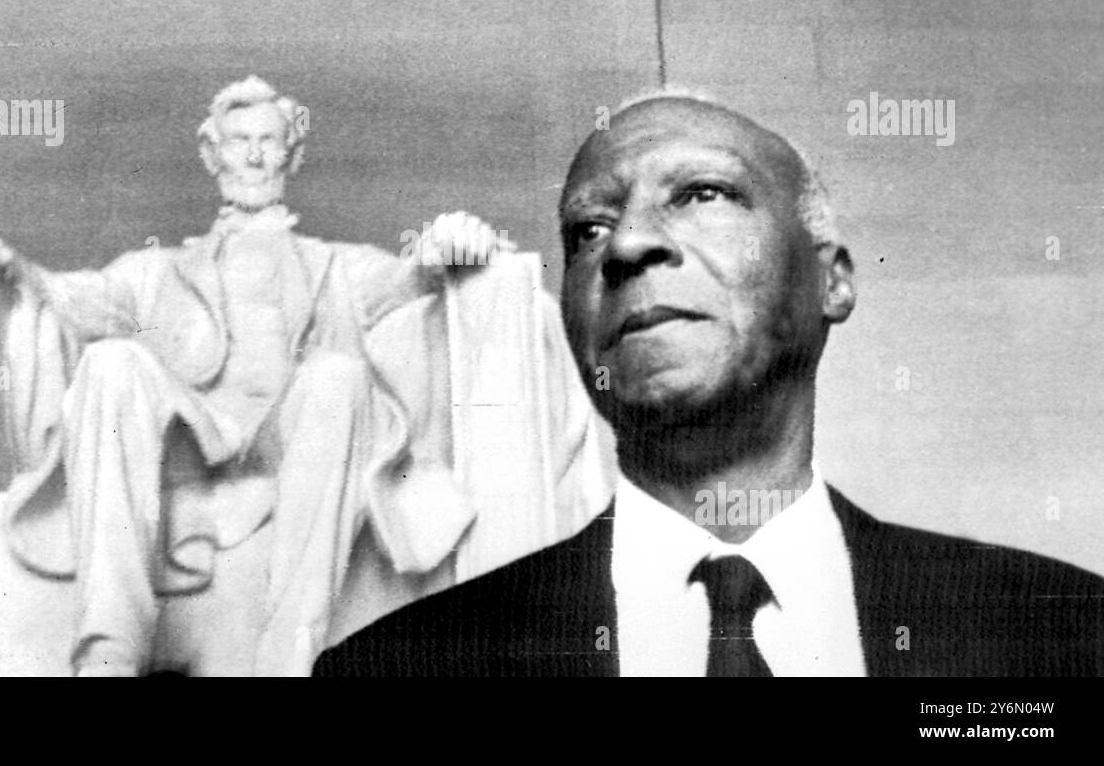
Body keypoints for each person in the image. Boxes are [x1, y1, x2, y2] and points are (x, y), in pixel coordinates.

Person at [313, 89, 1104, 677]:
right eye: (588, 231)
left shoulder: (1062, 637)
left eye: (701, 194)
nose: (626, 246)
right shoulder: (401, 669)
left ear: (832, 281)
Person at [0, 75, 508, 676]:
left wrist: (450, 244)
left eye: (268, 140)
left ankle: (290, 659)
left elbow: (412, 279)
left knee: (339, 376)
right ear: (211, 155)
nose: (252, 154)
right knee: (113, 361)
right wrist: (3, 261)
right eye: (237, 140)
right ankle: (109, 652)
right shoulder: (153, 272)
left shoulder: (339, 269)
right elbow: (66, 298)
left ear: (291, 154)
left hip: (294, 443)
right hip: (186, 447)